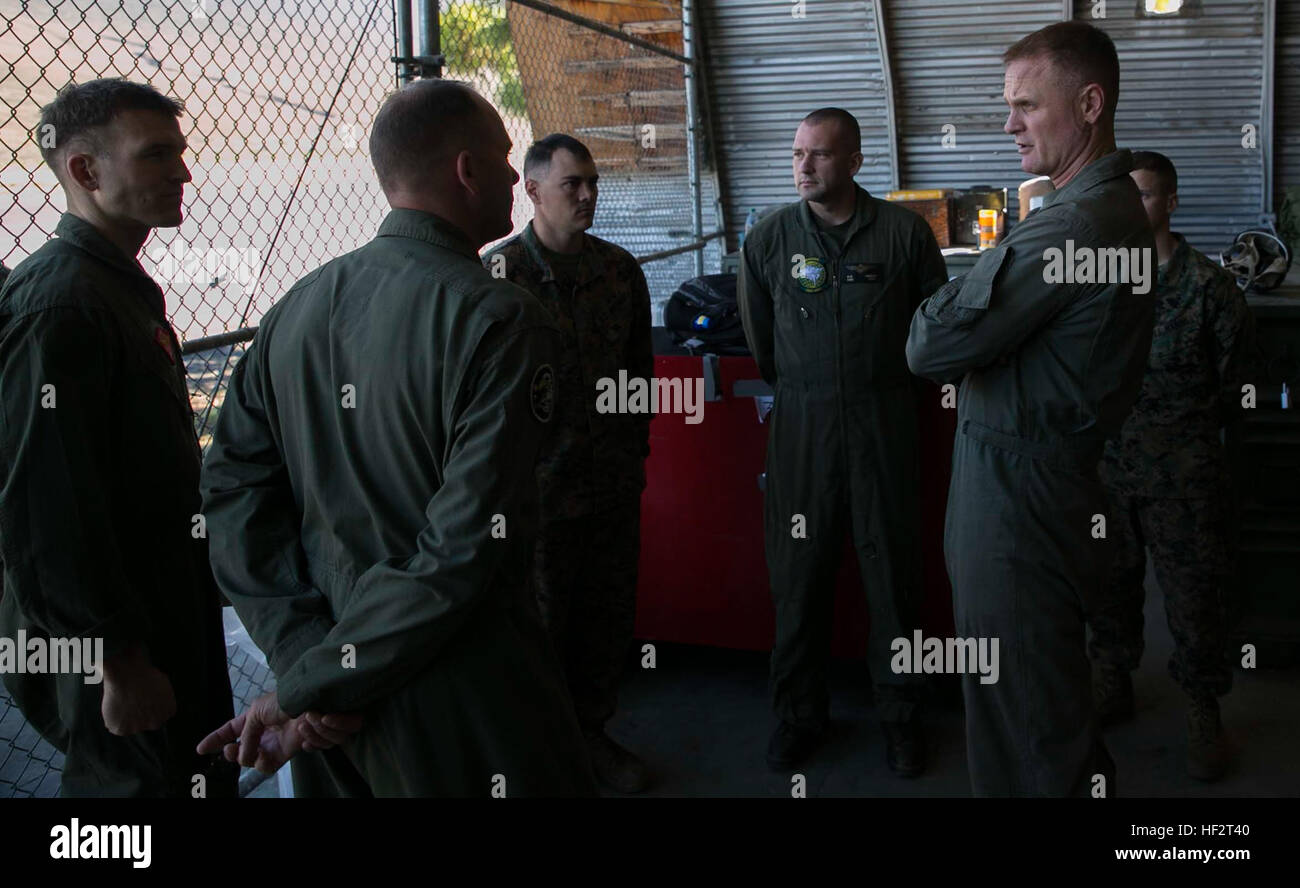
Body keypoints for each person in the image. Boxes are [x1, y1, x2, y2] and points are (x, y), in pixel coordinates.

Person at [198, 79, 598, 797]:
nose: (516, 177)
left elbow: (231, 494)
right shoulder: (500, 319)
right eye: (505, 159)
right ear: (466, 170)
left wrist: (304, 662)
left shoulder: (294, 309)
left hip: (328, 713)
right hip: (459, 695)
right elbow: (463, 550)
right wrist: (312, 682)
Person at [905, 21, 1156, 797]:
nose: (1008, 123)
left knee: (1032, 727)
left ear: (1088, 104)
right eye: (1006, 106)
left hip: (1018, 502)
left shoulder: (1074, 225)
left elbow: (929, 345)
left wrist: (996, 255)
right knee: (1028, 705)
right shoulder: (1096, 211)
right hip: (1034, 485)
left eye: (1025, 105)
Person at [0, 78, 237, 797]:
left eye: (181, 153)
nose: (184, 173)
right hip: (120, 649)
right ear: (85, 171)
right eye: (157, 155)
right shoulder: (64, 305)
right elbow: (45, 512)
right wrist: (117, 662)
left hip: (157, 616)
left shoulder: (109, 289)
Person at [737, 107, 947, 776]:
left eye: (820, 155)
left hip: (886, 427)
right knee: (798, 580)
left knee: (893, 578)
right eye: (798, 153)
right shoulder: (768, 240)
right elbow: (761, 342)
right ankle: (800, 715)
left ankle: (901, 717)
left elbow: (934, 331)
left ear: (854, 161)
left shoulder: (905, 236)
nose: (804, 166)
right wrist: (812, 391)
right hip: (802, 431)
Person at [481, 134, 652, 793]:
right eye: (571, 184)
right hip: (535, 503)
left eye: (592, 183)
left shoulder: (619, 272)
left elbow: (639, 372)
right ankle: (538, 758)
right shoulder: (497, 276)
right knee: (537, 635)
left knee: (606, 625)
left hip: (610, 489)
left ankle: (592, 737)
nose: (587, 195)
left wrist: (635, 452)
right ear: (532, 190)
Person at [1090, 150, 1258, 781]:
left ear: (1171, 202)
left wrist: (1192, 440)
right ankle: (1112, 681)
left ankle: (1201, 708)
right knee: (1108, 590)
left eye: (1148, 196)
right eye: (1126, 197)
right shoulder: (1099, 282)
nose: (1136, 208)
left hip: (1184, 475)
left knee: (1194, 599)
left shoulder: (1209, 288)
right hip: (1110, 469)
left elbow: (1236, 386)